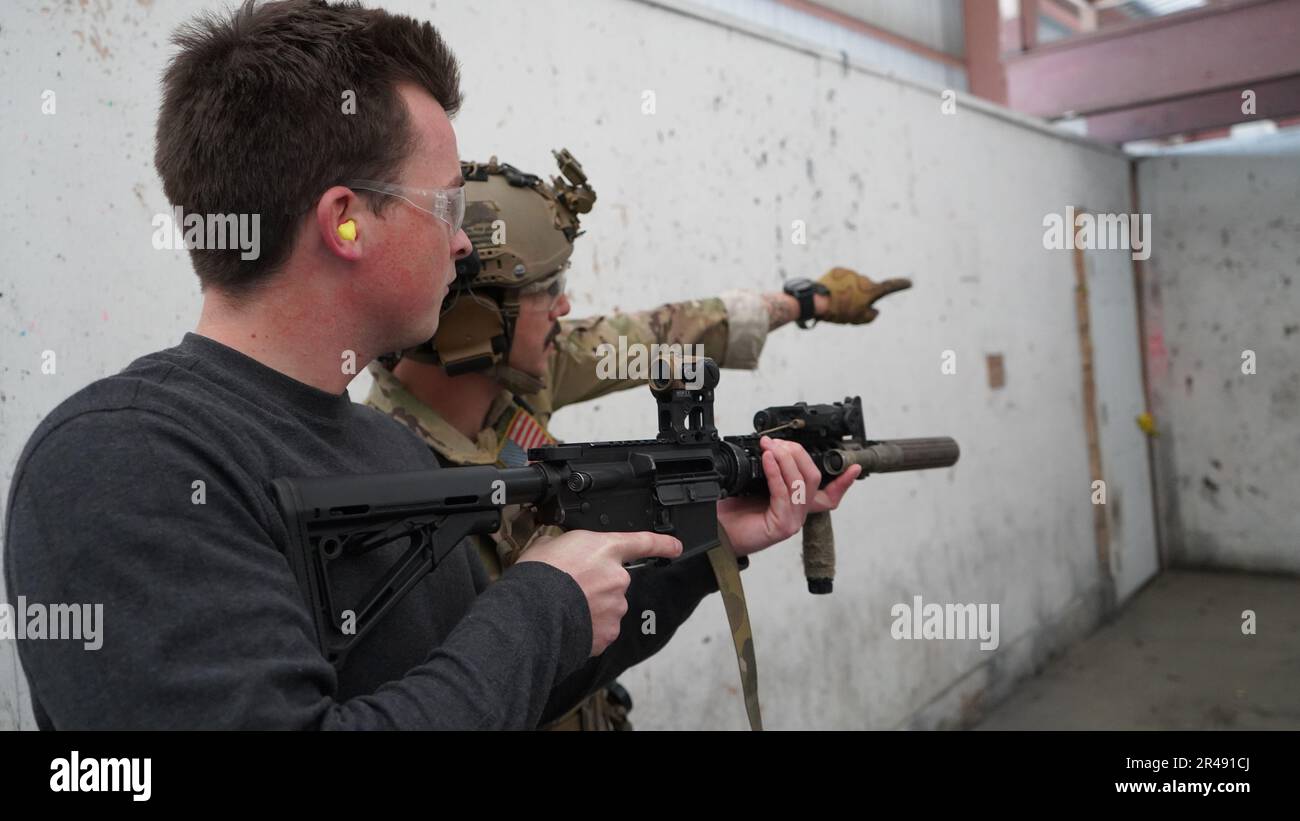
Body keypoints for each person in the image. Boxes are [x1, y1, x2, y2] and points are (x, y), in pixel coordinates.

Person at [2, 0, 852, 730]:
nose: (457, 239)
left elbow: (497, 691)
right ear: (346, 222)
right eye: (444, 203)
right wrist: (541, 603)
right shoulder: (120, 462)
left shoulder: (384, 450)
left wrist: (704, 549)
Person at [366, 152, 908, 728]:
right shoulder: (389, 485)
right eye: (550, 287)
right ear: (477, 315)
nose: (566, 307)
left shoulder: (517, 371)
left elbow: (664, 332)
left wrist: (806, 302)